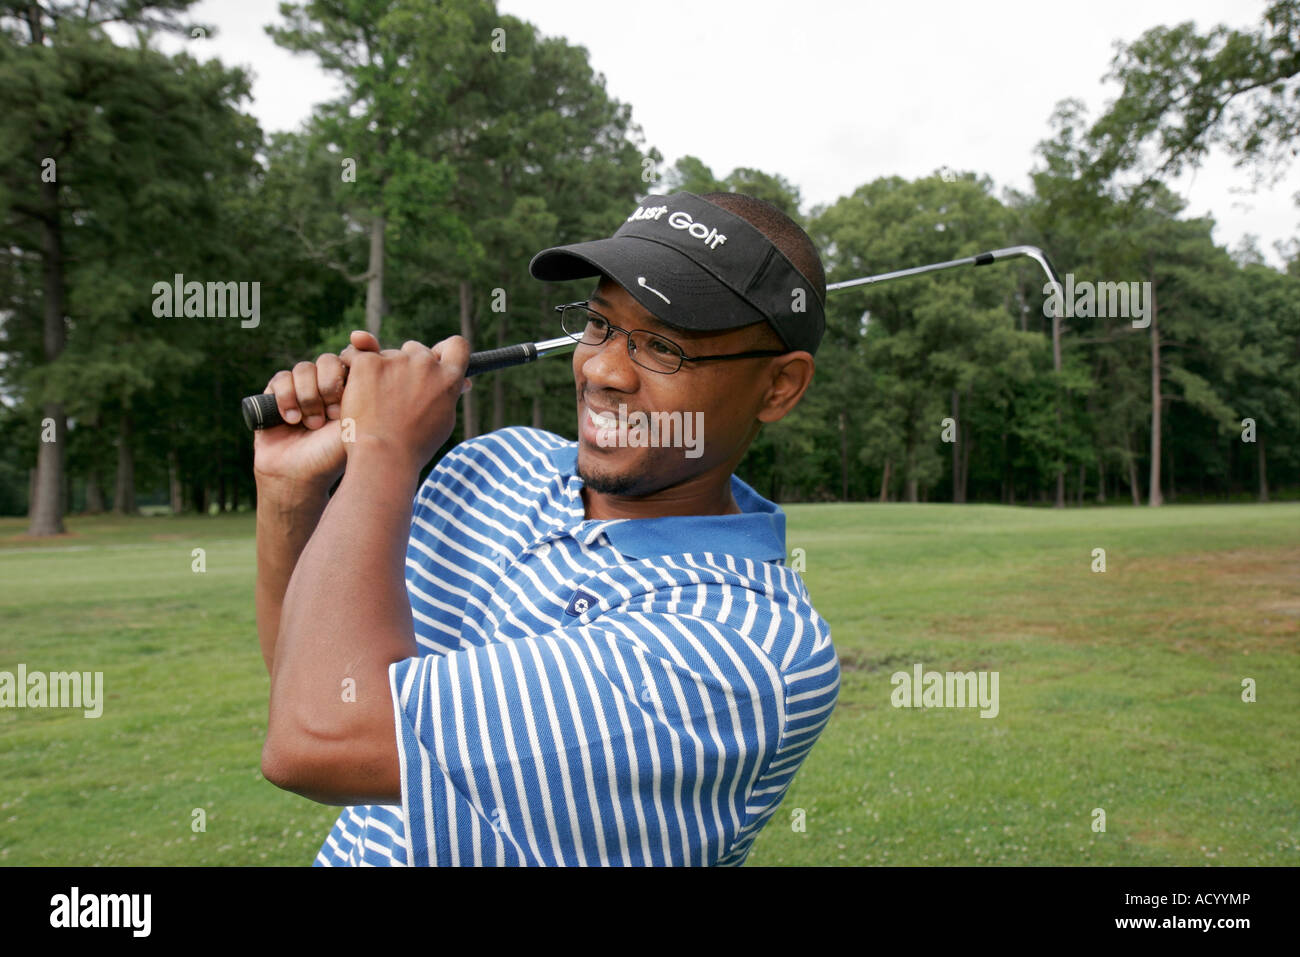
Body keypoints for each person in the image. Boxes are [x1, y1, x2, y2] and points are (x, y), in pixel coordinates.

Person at [253, 190, 840, 866]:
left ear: (779, 388)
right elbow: (316, 678)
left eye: (664, 347)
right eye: (598, 324)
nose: (602, 370)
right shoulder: (494, 465)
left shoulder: (751, 650)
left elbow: (318, 737)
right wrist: (290, 489)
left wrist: (381, 449)